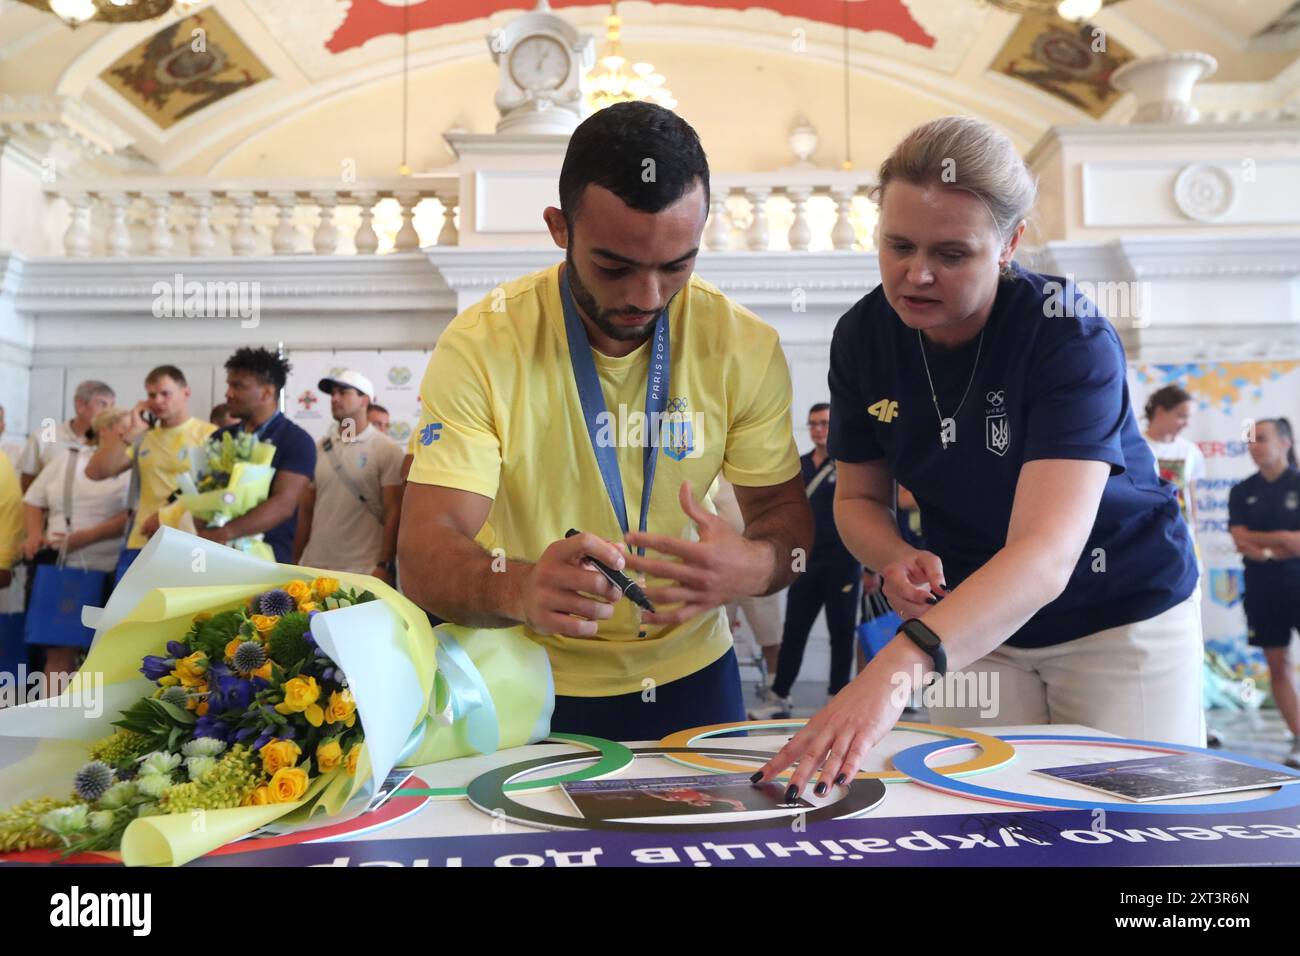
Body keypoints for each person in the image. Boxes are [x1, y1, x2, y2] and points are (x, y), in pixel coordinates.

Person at [756, 116, 1202, 799]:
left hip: (1118, 615)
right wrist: (889, 556)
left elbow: (1045, 554)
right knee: (981, 819)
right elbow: (856, 500)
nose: (917, 274)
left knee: (1134, 832)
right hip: (970, 621)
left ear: (1010, 243)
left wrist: (897, 669)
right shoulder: (864, 336)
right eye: (897, 245)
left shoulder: (1066, 333)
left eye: (952, 253)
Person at [399, 101, 812, 741]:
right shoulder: (482, 345)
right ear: (559, 228)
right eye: (615, 266)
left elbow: (789, 526)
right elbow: (426, 554)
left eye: (677, 265)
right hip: (517, 676)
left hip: (691, 677)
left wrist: (752, 568)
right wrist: (521, 586)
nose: (647, 297)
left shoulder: (741, 345)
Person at [751, 403, 863, 718]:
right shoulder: (798, 466)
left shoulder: (849, 465)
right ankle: (779, 696)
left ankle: (836, 697)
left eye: (825, 423)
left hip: (844, 562)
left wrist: (871, 568)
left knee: (841, 634)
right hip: (804, 563)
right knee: (795, 631)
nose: (818, 429)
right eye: (813, 424)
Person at [22, 407, 131, 681]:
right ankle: (53, 717)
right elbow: (33, 499)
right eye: (121, 428)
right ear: (104, 430)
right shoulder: (67, 460)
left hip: (115, 570)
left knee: (109, 652)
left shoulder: (133, 467)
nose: (125, 434)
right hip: (64, 569)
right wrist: (34, 534)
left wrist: (86, 537)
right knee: (58, 650)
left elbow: (132, 514)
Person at [84, 366, 216, 571]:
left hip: (186, 540)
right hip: (141, 540)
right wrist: (132, 431)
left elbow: (215, 492)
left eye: (165, 394)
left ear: (186, 393)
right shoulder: (143, 437)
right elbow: (95, 472)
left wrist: (166, 517)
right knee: (129, 604)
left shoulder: (208, 435)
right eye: (151, 395)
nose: (158, 401)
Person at [1228, 418, 1300, 768]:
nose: (1254, 446)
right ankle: (1299, 736)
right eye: (1250, 440)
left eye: (1263, 439)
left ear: (1286, 442)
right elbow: (1240, 538)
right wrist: (1283, 541)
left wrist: (1265, 543)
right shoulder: (1241, 491)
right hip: (1262, 589)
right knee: (1278, 665)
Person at [203, 348, 316, 563]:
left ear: (266, 393)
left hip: (268, 561)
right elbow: (200, 490)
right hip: (213, 557)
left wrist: (224, 533)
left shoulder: (297, 441)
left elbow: (284, 505)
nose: (228, 393)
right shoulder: (219, 438)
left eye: (238, 386)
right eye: (229, 385)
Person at [294, 370, 404, 581]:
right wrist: (294, 561)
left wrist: (384, 564)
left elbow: (394, 511)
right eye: (333, 393)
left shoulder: (386, 449)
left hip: (364, 570)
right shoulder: (319, 448)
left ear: (365, 400)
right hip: (315, 568)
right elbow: (306, 510)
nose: (334, 398)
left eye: (343, 392)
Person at [19, 380, 115, 492]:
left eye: (112, 405)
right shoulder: (42, 437)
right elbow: (27, 483)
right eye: (102, 404)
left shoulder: (112, 442)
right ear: (80, 405)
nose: (110, 412)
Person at [1144, 384, 1205, 542]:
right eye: (1182, 416)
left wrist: (1194, 533)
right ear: (1160, 412)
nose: (1187, 423)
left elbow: (1191, 495)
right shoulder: (1136, 446)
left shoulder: (1190, 450)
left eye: (1189, 417)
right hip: (1146, 534)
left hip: (1181, 535)